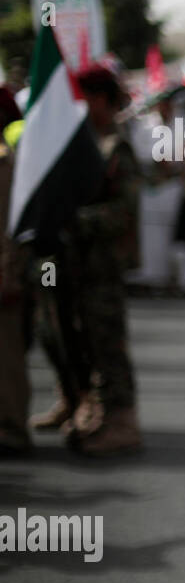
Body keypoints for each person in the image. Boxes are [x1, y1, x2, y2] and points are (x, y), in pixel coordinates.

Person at [31, 65, 143, 455]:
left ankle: (122, 422)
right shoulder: (76, 147)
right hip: (72, 264)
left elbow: (124, 213)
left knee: (107, 342)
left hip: (102, 266)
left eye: (87, 98)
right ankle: (80, 403)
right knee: (68, 336)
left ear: (102, 100)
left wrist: (75, 220)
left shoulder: (116, 149)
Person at [0, 86, 29, 455]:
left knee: (7, 356)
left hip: (3, 272)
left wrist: (8, 273)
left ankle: (12, 429)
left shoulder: (4, 161)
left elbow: (7, 227)